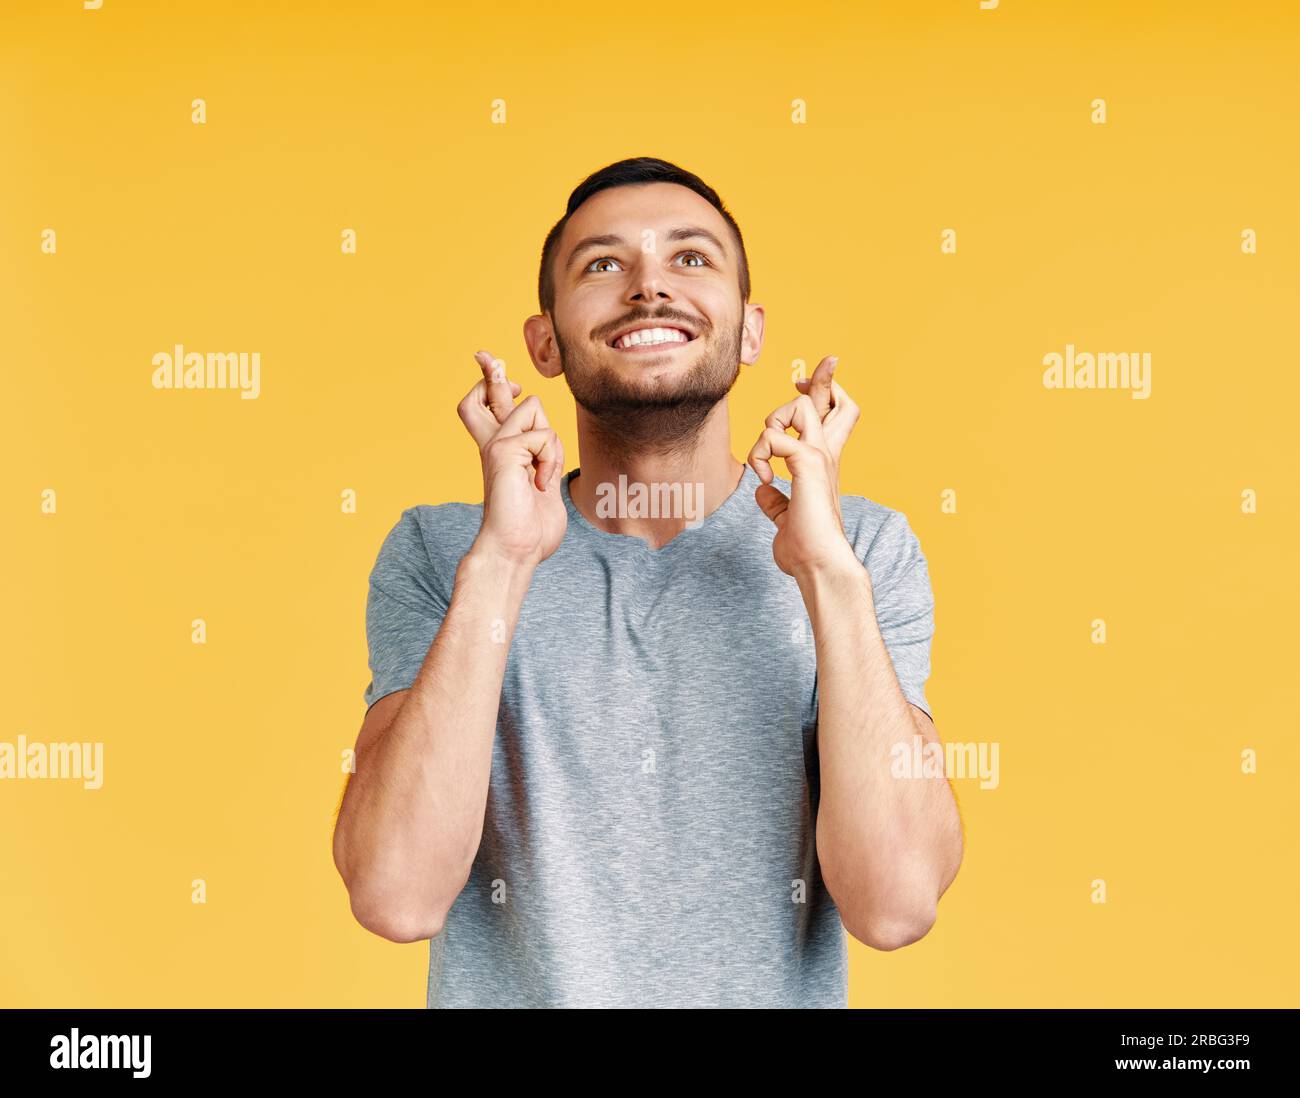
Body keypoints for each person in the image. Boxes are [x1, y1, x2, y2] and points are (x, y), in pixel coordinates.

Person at [332, 157, 963, 1008]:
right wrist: (505, 561)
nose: (648, 288)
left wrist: (827, 575)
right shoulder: (444, 551)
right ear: (545, 342)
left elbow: (895, 905)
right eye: (602, 264)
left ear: (749, 332)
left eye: (691, 259)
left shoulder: (866, 553)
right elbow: (396, 896)